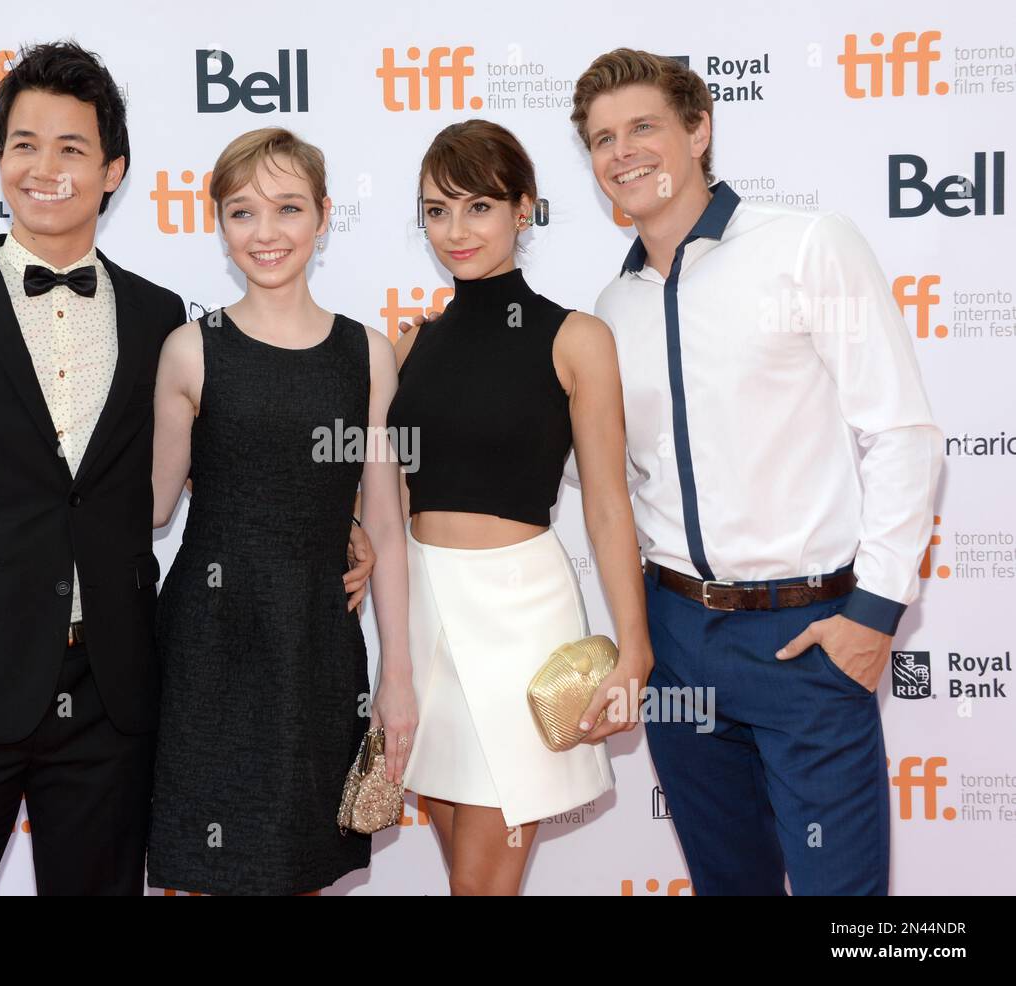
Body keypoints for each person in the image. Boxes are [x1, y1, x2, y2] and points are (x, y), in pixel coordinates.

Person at [0, 44, 374, 896]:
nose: (45, 168)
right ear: (0, 158)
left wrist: (337, 521)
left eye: (72, 148)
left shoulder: (164, 319)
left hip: (113, 695)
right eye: (24, 144)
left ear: (113, 169)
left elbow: (231, 456)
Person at [572, 48, 943, 895]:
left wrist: (877, 614)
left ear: (699, 130)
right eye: (601, 139)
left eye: (642, 128)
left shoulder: (808, 244)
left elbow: (903, 431)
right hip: (676, 647)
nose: (622, 152)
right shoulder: (609, 308)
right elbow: (603, 483)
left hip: (806, 639)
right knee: (728, 886)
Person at [145, 127, 417, 896]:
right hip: (206, 648)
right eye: (242, 212)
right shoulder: (190, 350)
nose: (265, 234)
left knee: (300, 870)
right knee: (201, 873)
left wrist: (397, 676)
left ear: (325, 216)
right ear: (219, 224)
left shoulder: (368, 354)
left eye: (288, 208)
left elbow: (388, 530)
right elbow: (153, 506)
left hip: (317, 650)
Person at [387, 120, 654, 895]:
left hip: (521, 621)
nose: (456, 230)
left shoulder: (577, 339)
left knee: (481, 887)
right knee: (468, 882)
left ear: (523, 210)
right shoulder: (408, 346)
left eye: (478, 207)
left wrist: (633, 650)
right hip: (426, 619)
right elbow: (388, 501)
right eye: (437, 210)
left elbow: (607, 508)